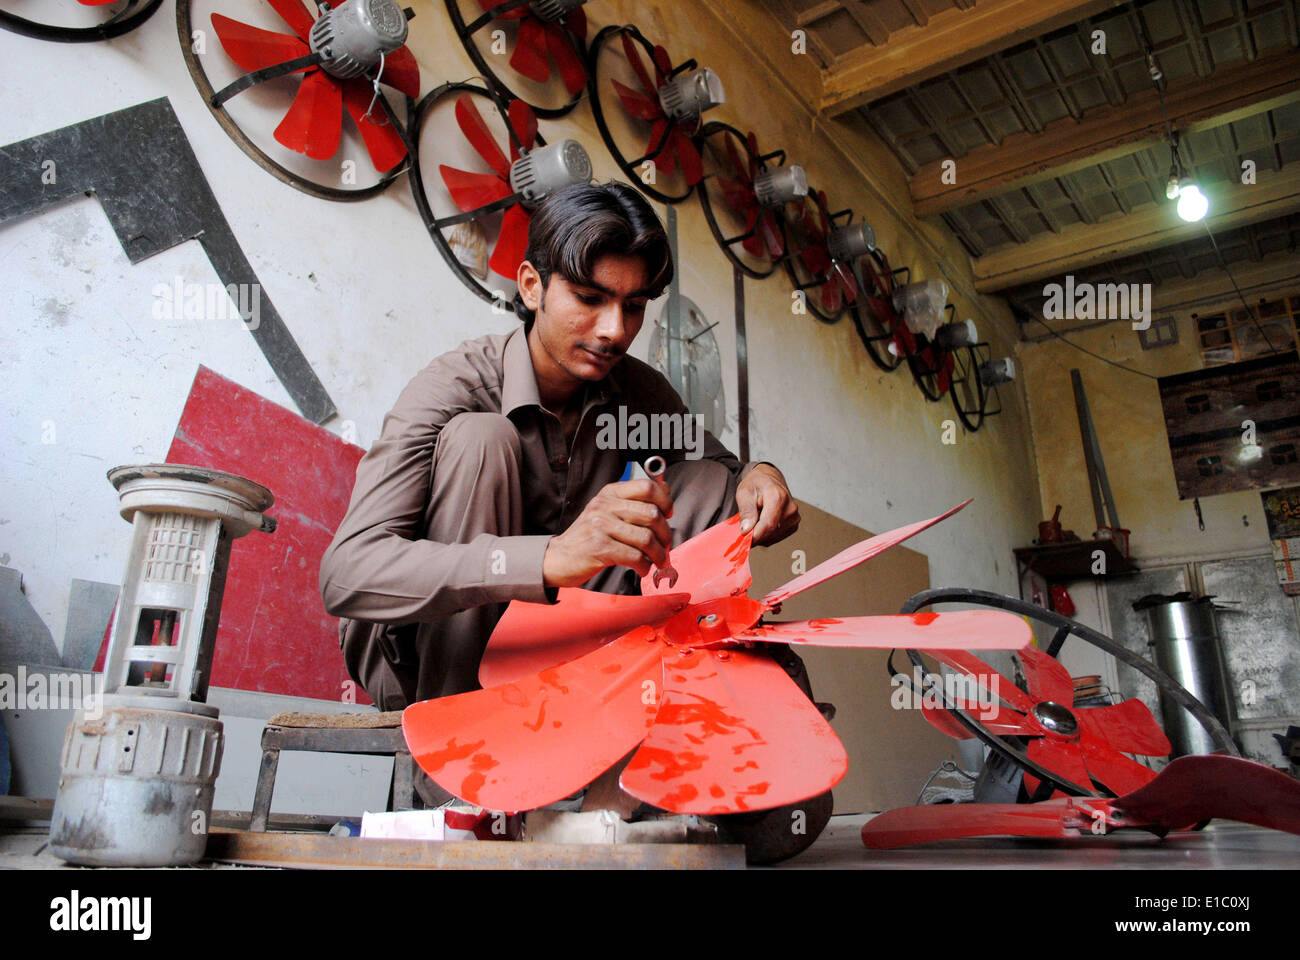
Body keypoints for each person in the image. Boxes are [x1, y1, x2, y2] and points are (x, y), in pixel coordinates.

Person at [319, 181, 800, 715]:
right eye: (590, 299)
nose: (614, 331)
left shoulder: (634, 391)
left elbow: (723, 473)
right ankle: (457, 763)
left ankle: (655, 716)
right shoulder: (454, 386)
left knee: (705, 482)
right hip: (420, 655)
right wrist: (547, 559)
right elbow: (347, 573)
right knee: (481, 440)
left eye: (633, 306)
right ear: (531, 287)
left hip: (551, 645)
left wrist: (762, 475)